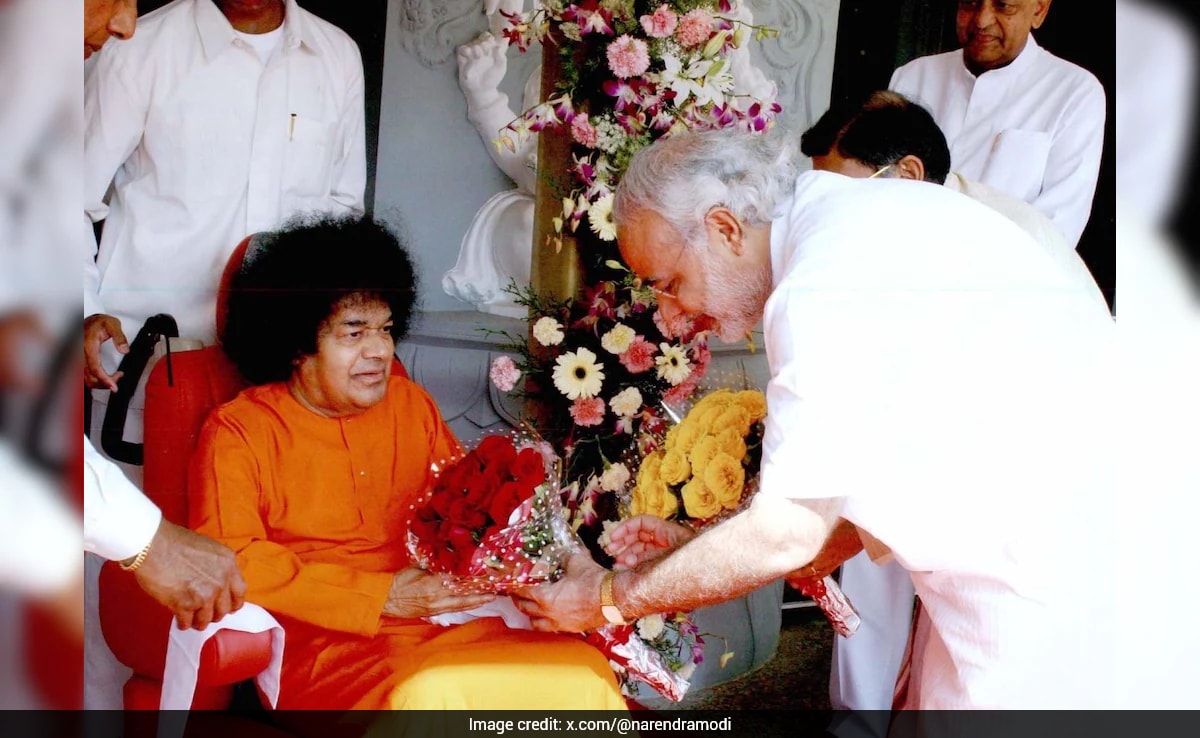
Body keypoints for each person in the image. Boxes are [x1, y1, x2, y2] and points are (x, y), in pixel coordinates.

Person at [513, 127, 1117, 709]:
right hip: (1050, 556)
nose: (673, 316)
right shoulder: (847, 220)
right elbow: (856, 496)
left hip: (1047, 586)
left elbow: (789, 533)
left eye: (670, 283)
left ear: (724, 229)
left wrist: (606, 598)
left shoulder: (817, 283)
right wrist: (701, 553)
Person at [189, 215, 626, 710]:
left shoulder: (409, 404)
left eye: (386, 329)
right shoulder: (240, 429)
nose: (380, 350)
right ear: (297, 343)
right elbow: (235, 560)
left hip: (445, 620)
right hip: (325, 645)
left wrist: (556, 558)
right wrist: (380, 596)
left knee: (582, 671)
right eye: (354, 334)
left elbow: (472, 514)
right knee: (432, 694)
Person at [798, 88, 1109, 724]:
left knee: (976, 694)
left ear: (907, 174)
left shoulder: (987, 243)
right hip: (989, 528)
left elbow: (960, 435)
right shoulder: (928, 229)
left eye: (837, 199)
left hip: (1043, 528)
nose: (824, 222)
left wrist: (814, 535)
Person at [83, 0, 366, 422]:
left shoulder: (336, 55)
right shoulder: (139, 48)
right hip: (152, 355)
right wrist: (82, 309)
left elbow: (342, 213)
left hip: (286, 370)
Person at [889, 0, 1105, 248]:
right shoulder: (913, 77)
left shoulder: (1074, 92)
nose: (982, 20)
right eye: (970, 3)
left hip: (1001, 267)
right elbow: (879, 187)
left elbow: (1055, 232)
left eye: (1004, 6)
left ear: (1039, 10)